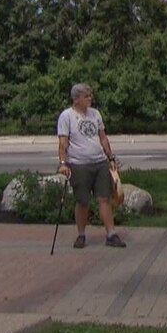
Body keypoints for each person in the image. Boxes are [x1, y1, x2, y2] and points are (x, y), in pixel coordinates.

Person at [56, 83, 124, 249]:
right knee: (82, 201)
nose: (90, 99)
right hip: (79, 164)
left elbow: (103, 137)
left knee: (104, 198)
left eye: (90, 95)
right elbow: (63, 142)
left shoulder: (95, 114)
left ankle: (111, 234)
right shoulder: (67, 116)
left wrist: (111, 157)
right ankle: (81, 234)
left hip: (99, 162)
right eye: (86, 96)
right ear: (76, 98)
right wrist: (63, 163)